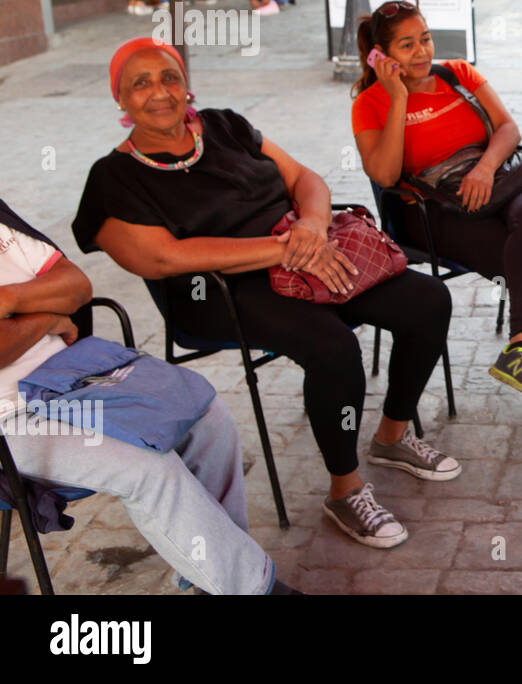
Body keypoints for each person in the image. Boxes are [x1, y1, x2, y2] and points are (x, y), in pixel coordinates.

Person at [72, 37, 459, 550]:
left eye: (169, 77)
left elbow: (302, 178)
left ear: (186, 85)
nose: (159, 92)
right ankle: (345, 490)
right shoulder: (114, 177)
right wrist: (283, 250)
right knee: (332, 346)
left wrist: (313, 226)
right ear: (119, 98)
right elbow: (161, 258)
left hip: (304, 256)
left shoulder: (225, 126)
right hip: (216, 292)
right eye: (140, 83)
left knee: (427, 301)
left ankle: (392, 434)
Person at [0, 199, 300, 595]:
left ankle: (213, 578)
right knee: (149, 468)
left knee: (207, 416)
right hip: (11, 420)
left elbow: (76, 286)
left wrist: (9, 301)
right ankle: (253, 589)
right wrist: (49, 318)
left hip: (73, 375)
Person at [351, 0, 522, 448]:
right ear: (381, 55)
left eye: (425, 39)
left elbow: (508, 128)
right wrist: (398, 98)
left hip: (490, 186)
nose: (422, 51)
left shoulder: (459, 75)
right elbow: (386, 175)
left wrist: (485, 168)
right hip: (431, 213)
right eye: (407, 45)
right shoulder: (370, 103)